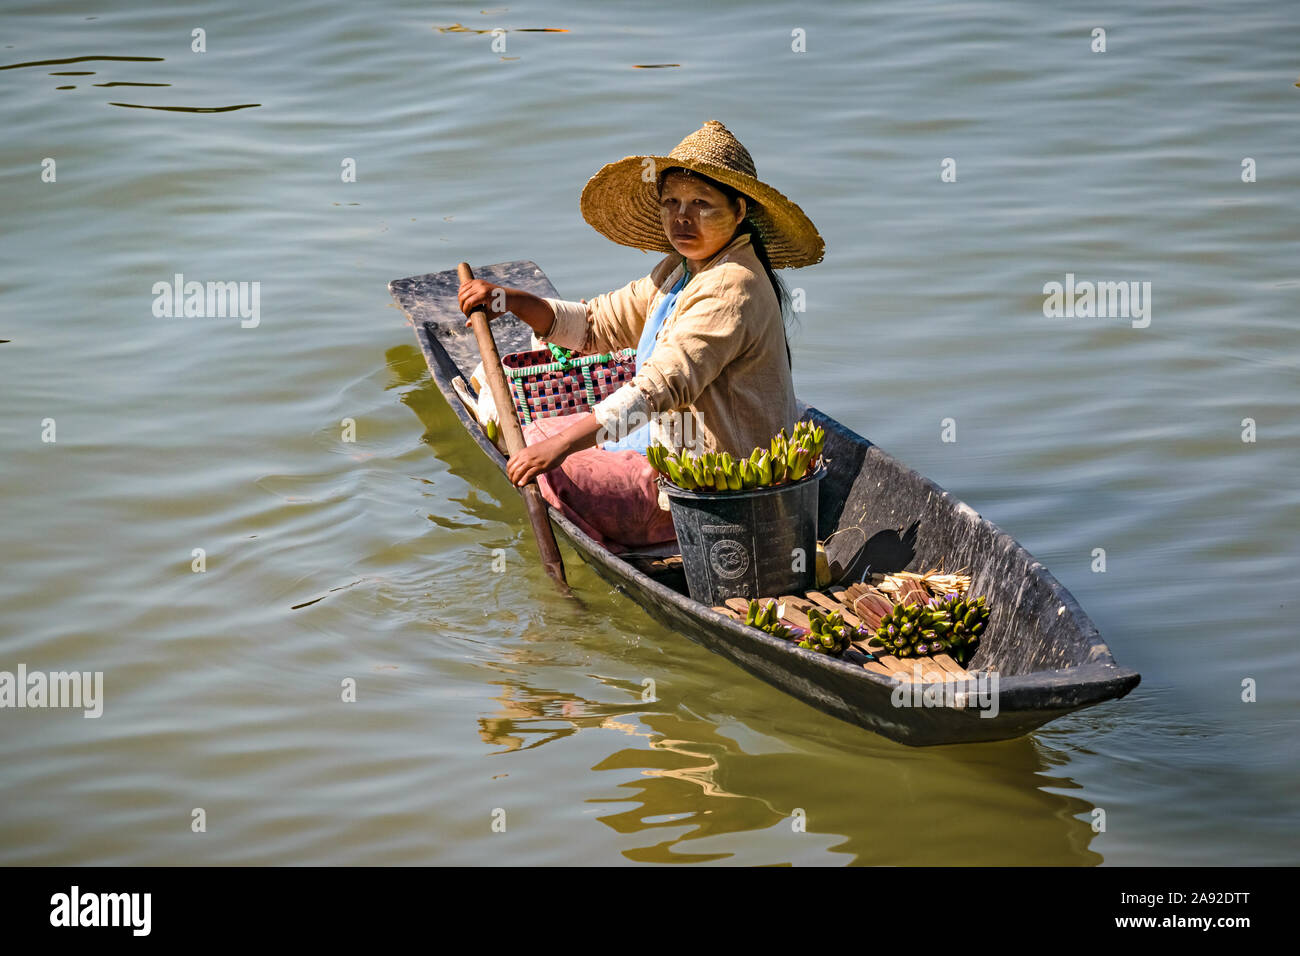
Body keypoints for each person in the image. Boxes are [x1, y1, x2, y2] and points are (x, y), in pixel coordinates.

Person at [458, 120, 823, 552]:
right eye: (671, 202)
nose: (682, 217)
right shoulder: (679, 269)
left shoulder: (732, 286)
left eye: (701, 204)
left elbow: (656, 390)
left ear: (740, 210)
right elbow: (597, 324)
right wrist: (511, 300)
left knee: (541, 460)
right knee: (528, 430)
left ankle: (633, 541)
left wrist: (557, 450)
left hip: (710, 488)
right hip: (666, 443)